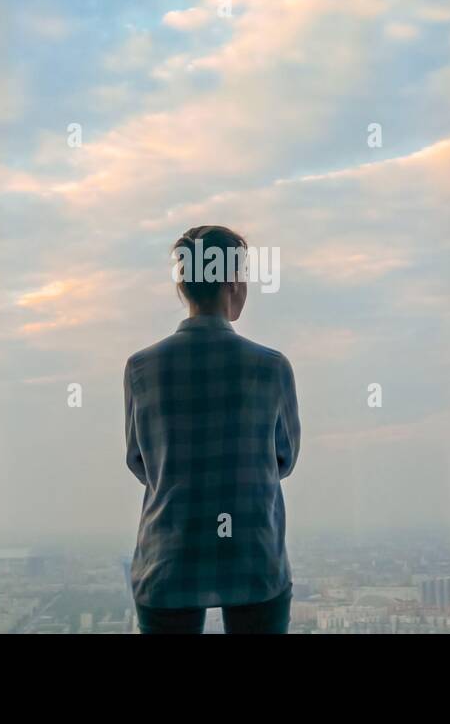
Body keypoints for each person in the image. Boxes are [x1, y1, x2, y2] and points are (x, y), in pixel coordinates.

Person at [123, 225, 300, 634]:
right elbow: (284, 460)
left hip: (168, 560)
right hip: (253, 559)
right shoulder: (272, 367)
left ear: (184, 287)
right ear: (233, 283)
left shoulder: (141, 369)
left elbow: (140, 461)